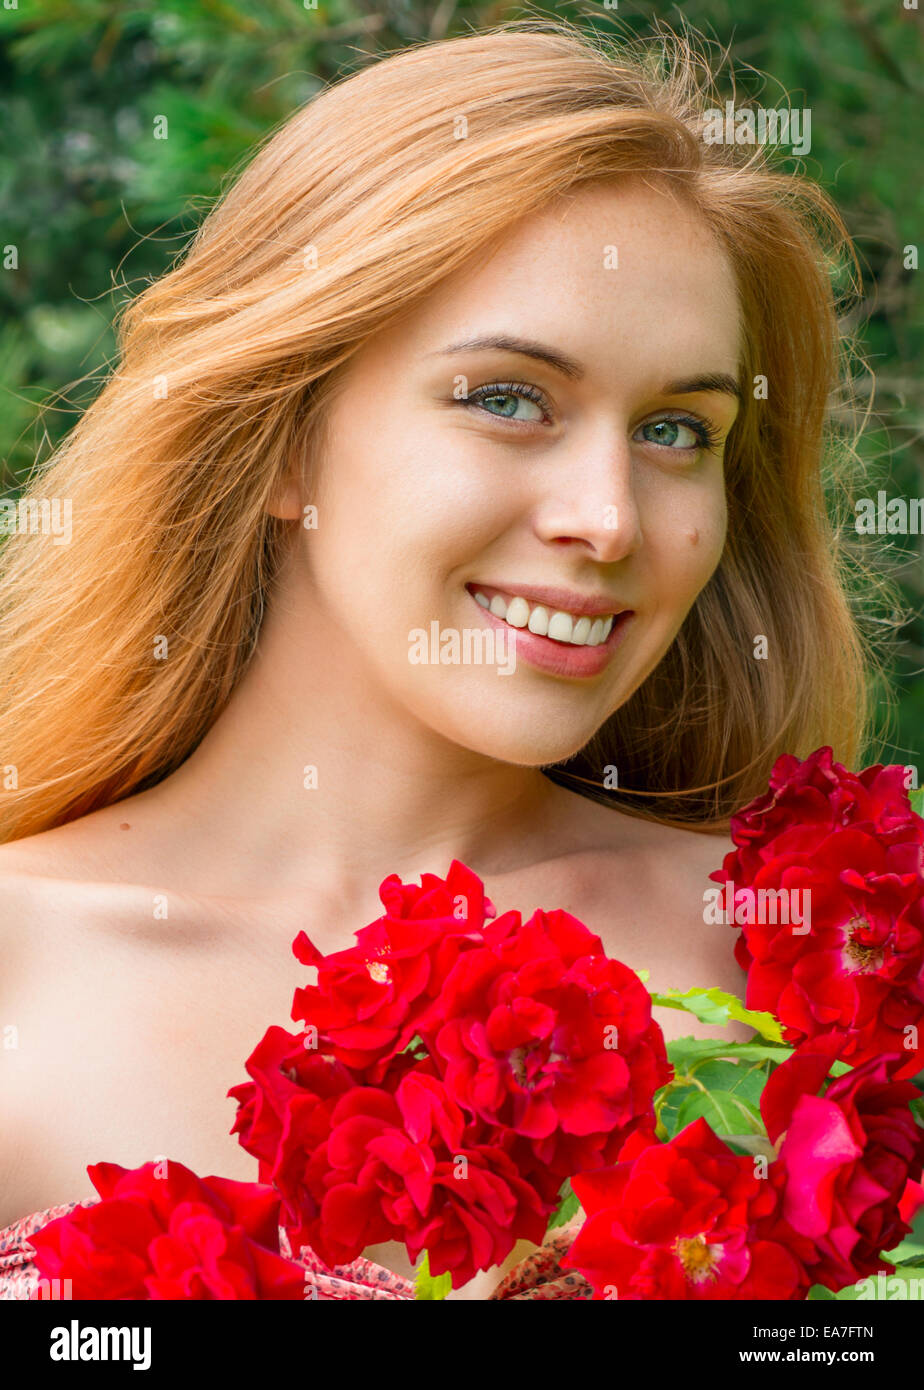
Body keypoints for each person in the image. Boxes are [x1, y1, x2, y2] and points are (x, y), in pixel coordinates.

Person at [0, 20, 884, 1298]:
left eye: (678, 429)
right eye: (509, 398)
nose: (612, 516)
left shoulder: (810, 966)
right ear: (285, 436)